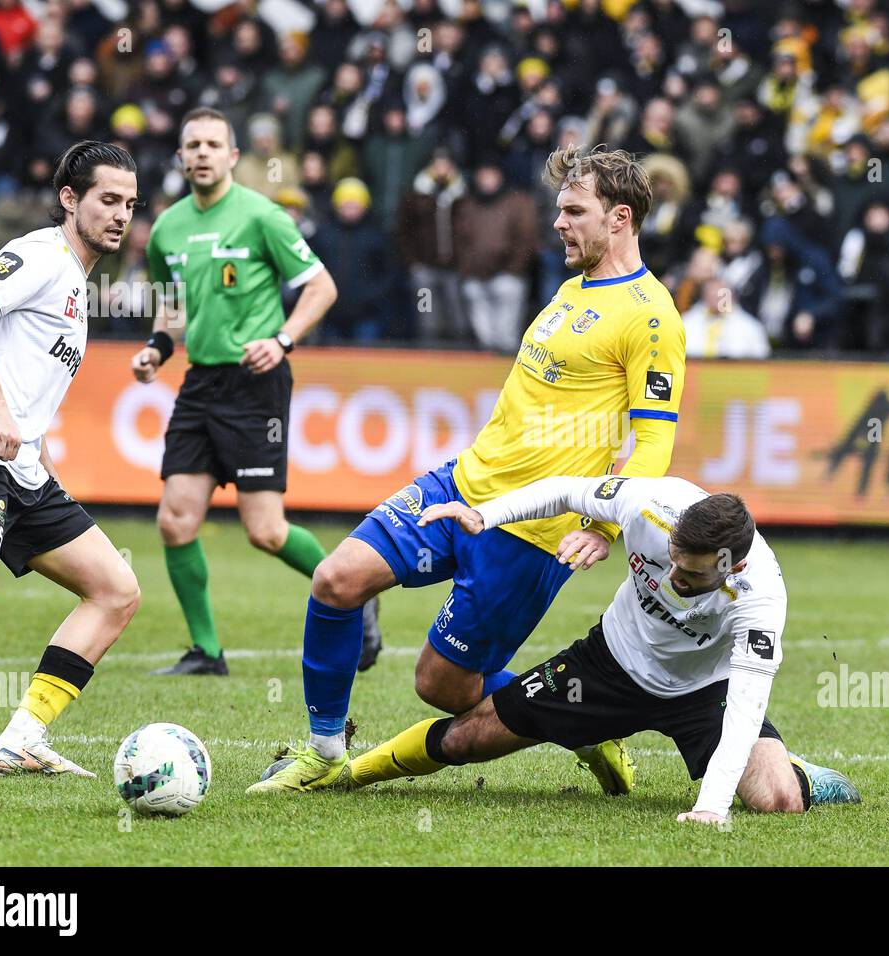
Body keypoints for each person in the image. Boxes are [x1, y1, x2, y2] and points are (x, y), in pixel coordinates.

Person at [249, 145, 687, 797]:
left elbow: (652, 444)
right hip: (460, 485)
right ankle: (323, 750)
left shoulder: (652, 317)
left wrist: (605, 526)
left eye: (574, 210)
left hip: (531, 530)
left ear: (620, 218)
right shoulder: (571, 290)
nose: (558, 222)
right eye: (558, 209)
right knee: (337, 579)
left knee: (441, 687)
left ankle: (584, 726)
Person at [342, 475, 861, 824]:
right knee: (467, 740)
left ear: (733, 567)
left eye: (691, 573)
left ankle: (807, 773)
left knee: (778, 800)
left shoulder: (761, 597)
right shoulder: (652, 506)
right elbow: (566, 491)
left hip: (705, 691)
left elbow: (746, 708)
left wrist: (711, 807)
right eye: (672, 561)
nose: (673, 577)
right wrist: (486, 515)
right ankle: (347, 772)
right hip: (608, 663)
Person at [132, 107, 378, 676]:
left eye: (212, 144)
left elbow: (321, 286)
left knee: (265, 531)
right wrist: (156, 350)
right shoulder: (167, 229)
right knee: (174, 520)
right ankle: (207, 653)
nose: (201, 153)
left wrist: (284, 339)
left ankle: (357, 592)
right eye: (191, 144)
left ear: (233, 156)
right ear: (179, 156)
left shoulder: (263, 216)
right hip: (201, 382)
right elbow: (173, 310)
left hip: (257, 384)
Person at [0, 141, 142, 775]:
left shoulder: (75, 282)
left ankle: (20, 739)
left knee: (115, 590)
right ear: (69, 200)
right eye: (107, 199)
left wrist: (26, 438)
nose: (120, 214)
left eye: (129, 203)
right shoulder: (44, 255)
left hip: (21, 469)